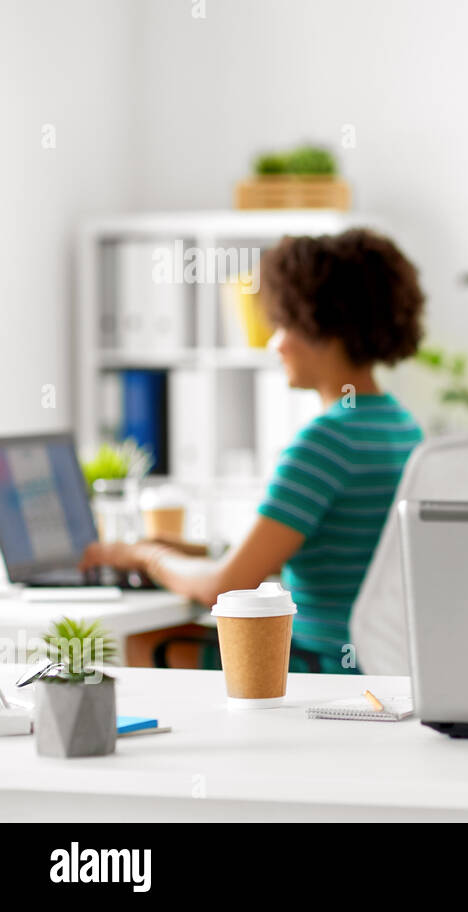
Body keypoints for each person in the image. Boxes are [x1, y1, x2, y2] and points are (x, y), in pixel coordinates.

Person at [80, 229, 426, 672]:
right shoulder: (399, 426)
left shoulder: (326, 443)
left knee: (149, 640)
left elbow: (223, 586)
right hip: (379, 663)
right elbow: (303, 552)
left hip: (320, 663)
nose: (274, 343)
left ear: (323, 327)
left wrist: (148, 557)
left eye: (284, 325)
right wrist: (179, 549)